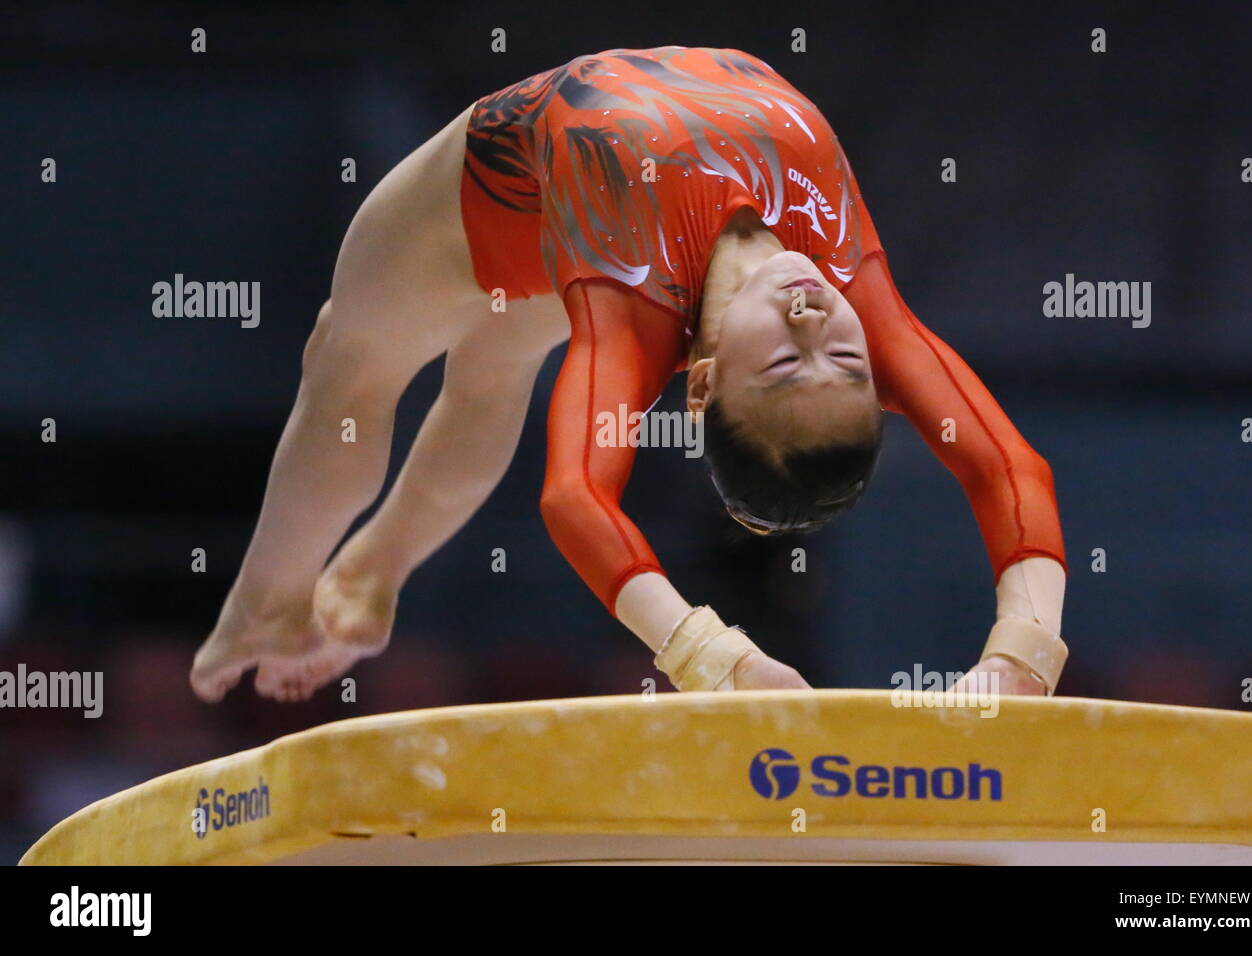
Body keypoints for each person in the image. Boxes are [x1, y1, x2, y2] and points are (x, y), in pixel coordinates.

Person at [190, 46, 1068, 704]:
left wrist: (708, 654)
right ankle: (312, 587)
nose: (814, 319)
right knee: (478, 367)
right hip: (535, 196)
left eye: (781, 361)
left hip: (499, 216)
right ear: (876, 369)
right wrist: (1022, 652)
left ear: (699, 379)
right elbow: (1008, 465)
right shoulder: (852, 287)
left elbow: (575, 494)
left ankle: (311, 592)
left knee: (360, 366)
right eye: (844, 357)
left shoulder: (635, 310)